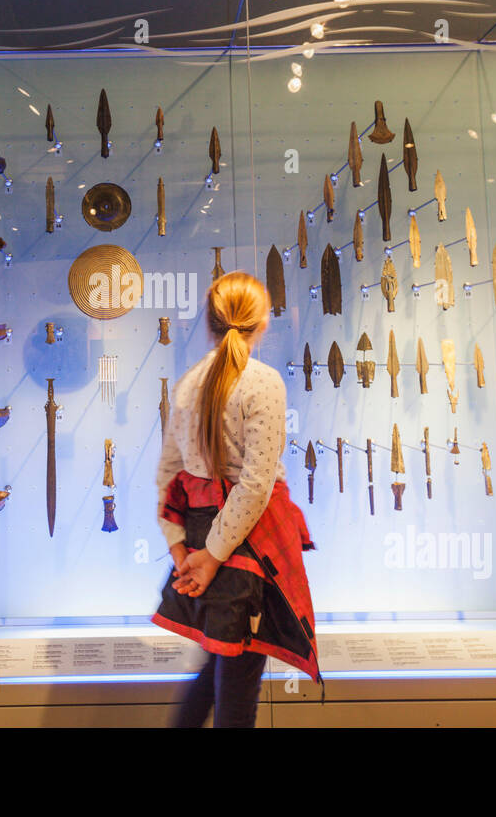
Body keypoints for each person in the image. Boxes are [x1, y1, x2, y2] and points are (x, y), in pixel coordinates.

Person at [152, 271, 320, 728]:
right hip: (245, 539)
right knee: (238, 677)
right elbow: (255, 486)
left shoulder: (188, 382)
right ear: (262, 323)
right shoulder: (262, 382)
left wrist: (184, 550)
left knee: (220, 664)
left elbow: (169, 477)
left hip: (209, 536)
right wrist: (208, 557)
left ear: (209, 323)